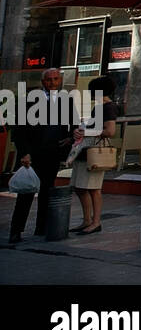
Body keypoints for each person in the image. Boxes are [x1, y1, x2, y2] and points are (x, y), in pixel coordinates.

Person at [9, 69, 77, 244]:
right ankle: (16, 231)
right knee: (26, 192)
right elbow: (18, 130)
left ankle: (42, 227)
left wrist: (69, 139)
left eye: (55, 79)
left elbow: (73, 125)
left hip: (52, 153)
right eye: (49, 80)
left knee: (47, 191)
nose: (52, 82)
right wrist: (24, 152)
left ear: (60, 80)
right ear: (43, 81)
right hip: (32, 154)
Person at [70, 76, 119, 234]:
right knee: (80, 187)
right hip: (86, 150)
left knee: (93, 188)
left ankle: (95, 221)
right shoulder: (99, 107)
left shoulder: (108, 107)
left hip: (94, 151)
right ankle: (87, 220)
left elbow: (110, 131)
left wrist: (87, 131)